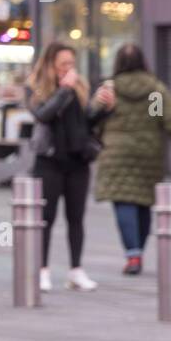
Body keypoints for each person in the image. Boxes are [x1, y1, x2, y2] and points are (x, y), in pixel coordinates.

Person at [93, 44, 171, 275]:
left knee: (123, 201)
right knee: (143, 202)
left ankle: (133, 255)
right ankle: (138, 249)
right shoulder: (153, 91)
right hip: (148, 153)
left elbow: (94, 119)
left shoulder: (109, 89)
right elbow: (168, 121)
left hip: (116, 153)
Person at [27, 43, 114, 292]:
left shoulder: (80, 87)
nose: (68, 69)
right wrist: (64, 89)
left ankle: (76, 270)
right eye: (63, 64)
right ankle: (42, 270)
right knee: (46, 218)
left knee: (76, 218)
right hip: (49, 161)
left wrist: (105, 109)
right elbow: (43, 115)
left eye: (71, 64)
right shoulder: (36, 87)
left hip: (77, 161)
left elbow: (86, 121)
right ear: (50, 65)